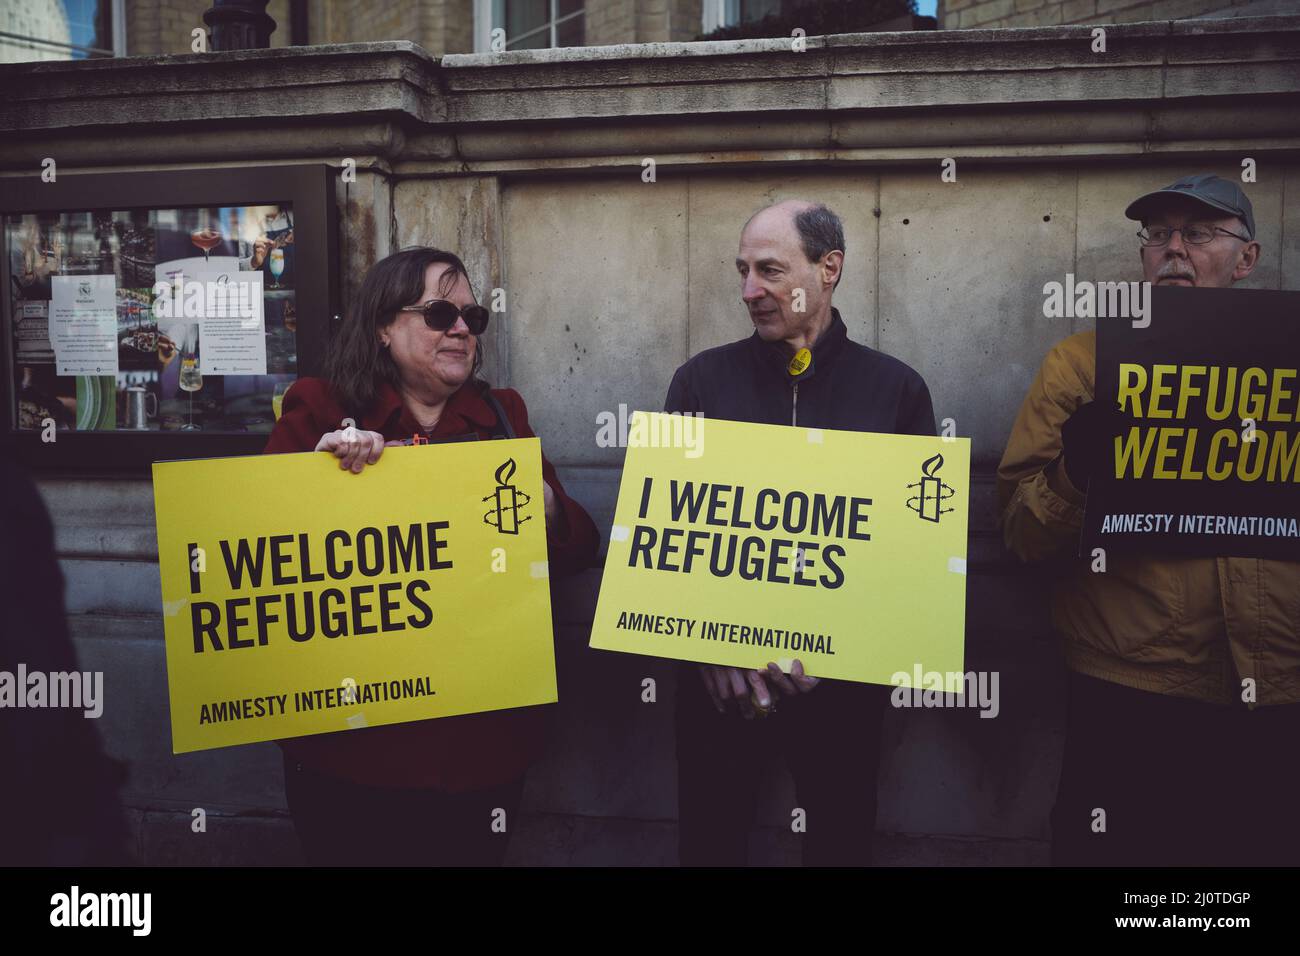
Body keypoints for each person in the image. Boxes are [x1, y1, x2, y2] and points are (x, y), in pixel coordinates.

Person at [997, 174, 1300, 866]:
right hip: (1130, 684)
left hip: (1280, 682)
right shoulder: (1081, 364)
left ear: (1245, 258)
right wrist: (1077, 474)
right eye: (1159, 234)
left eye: (1198, 234)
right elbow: (1019, 535)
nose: (1174, 251)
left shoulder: (1292, 364)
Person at [263, 246, 599, 866]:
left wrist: (545, 506)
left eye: (473, 317)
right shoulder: (318, 407)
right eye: (440, 312)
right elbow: (262, 547)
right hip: (353, 751)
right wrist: (319, 474)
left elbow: (579, 547)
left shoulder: (503, 417)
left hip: (478, 753)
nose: (462, 329)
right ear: (383, 327)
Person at [664, 200, 936, 866]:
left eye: (768, 270)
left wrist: (841, 649)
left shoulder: (895, 390)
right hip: (721, 689)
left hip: (842, 692)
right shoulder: (699, 382)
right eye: (742, 272)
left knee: (842, 840)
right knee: (710, 841)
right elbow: (668, 538)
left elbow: (913, 557)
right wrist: (707, 643)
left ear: (828, 268)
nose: (749, 291)